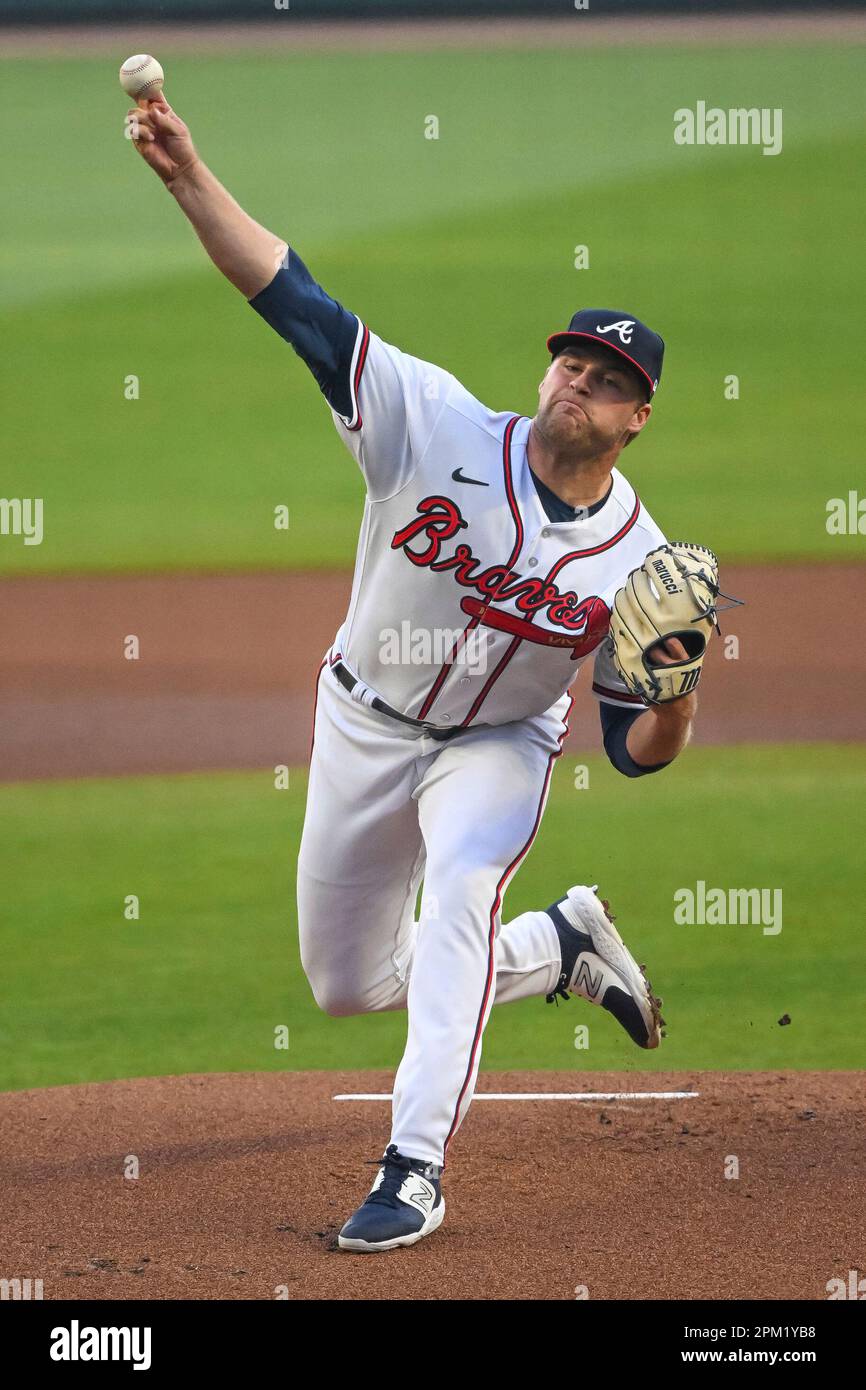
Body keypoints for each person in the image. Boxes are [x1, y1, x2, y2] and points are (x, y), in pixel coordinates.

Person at [128, 95, 700, 1254]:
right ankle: (559, 945)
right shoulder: (428, 420)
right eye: (568, 361)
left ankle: (415, 1167)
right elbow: (290, 297)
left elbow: (635, 754)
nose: (573, 381)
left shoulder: (639, 564)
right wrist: (187, 173)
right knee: (347, 984)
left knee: (454, 904)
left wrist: (680, 693)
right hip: (362, 721)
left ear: (638, 416)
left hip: (499, 748)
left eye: (603, 376)